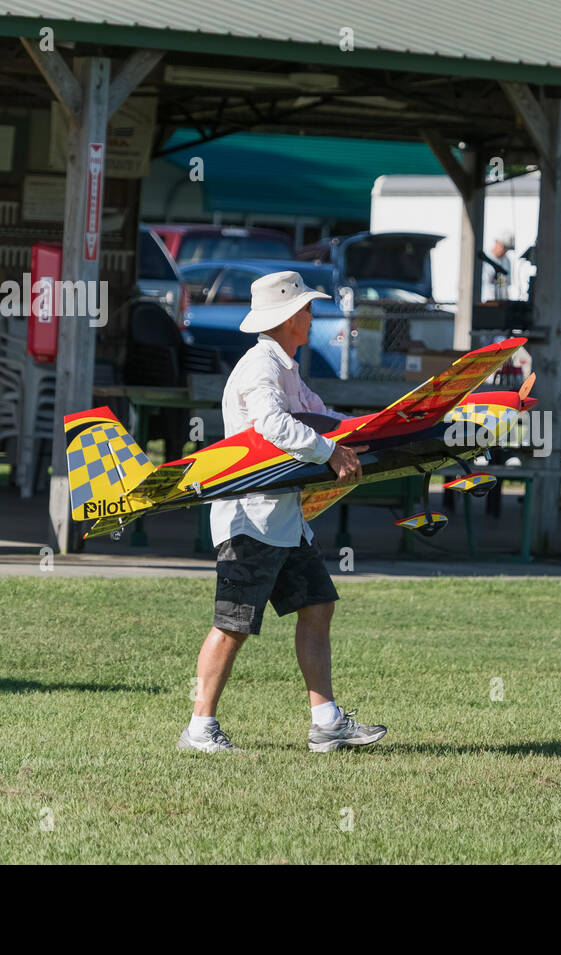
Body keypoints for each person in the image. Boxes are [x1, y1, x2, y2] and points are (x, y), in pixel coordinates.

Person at [180, 271, 386, 755]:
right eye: (308, 310)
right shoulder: (259, 367)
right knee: (233, 625)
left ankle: (326, 723)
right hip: (249, 521)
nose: (313, 318)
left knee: (317, 605)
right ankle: (199, 728)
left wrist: (367, 437)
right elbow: (273, 425)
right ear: (290, 317)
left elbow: (322, 416)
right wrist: (331, 452)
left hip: (285, 520)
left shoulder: (287, 368)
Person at [482, 231, 518, 301]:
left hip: (500, 304)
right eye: (504, 247)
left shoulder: (507, 261)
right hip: (485, 303)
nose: (505, 251)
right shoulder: (484, 258)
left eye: (507, 248)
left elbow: (507, 284)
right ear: (497, 243)